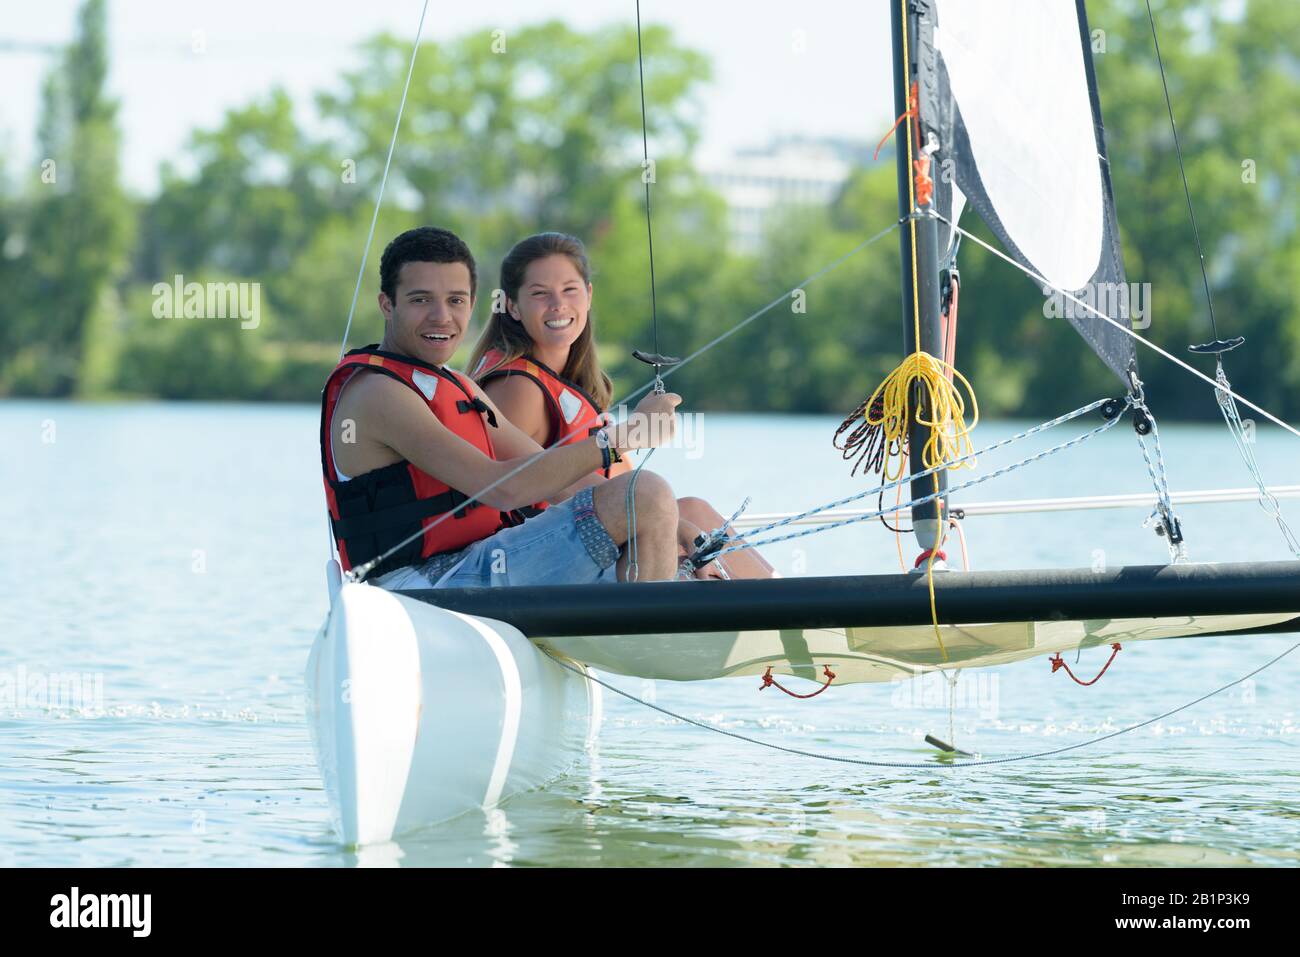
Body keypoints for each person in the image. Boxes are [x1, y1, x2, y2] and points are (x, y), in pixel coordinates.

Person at [320, 225, 684, 589]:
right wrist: (624, 438)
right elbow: (500, 489)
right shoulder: (377, 392)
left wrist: (678, 526)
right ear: (387, 304)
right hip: (415, 585)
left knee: (649, 498)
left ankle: (645, 622)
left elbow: (562, 483)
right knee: (645, 494)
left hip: (476, 560)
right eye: (420, 300)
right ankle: (644, 638)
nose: (441, 317)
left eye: (456, 300)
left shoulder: (458, 385)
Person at [468, 231, 774, 580]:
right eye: (540, 294)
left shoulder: (562, 380)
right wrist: (676, 526)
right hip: (543, 556)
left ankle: (789, 611)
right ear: (512, 306)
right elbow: (539, 483)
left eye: (570, 290)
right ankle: (790, 617)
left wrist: (674, 522)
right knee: (690, 516)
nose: (558, 305)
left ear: (588, 296)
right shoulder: (517, 386)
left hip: (603, 536)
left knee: (694, 510)